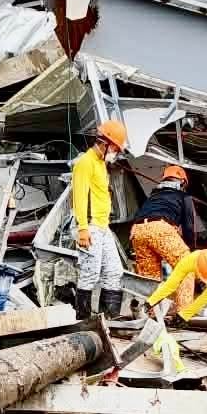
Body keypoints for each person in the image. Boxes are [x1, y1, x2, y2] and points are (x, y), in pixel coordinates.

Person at [69, 118, 126, 315]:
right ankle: (82, 318)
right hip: (90, 226)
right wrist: (82, 227)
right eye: (115, 148)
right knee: (90, 274)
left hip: (102, 226)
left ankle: (108, 318)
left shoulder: (100, 163)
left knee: (114, 271)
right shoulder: (85, 163)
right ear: (105, 143)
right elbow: (79, 195)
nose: (115, 153)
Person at [129, 164, 197, 319]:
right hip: (159, 228)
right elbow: (189, 226)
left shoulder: (153, 197)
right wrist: (191, 250)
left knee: (149, 279)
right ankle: (184, 314)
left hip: (137, 231)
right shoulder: (183, 197)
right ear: (182, 183)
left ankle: (151, 316)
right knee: (187, 268)